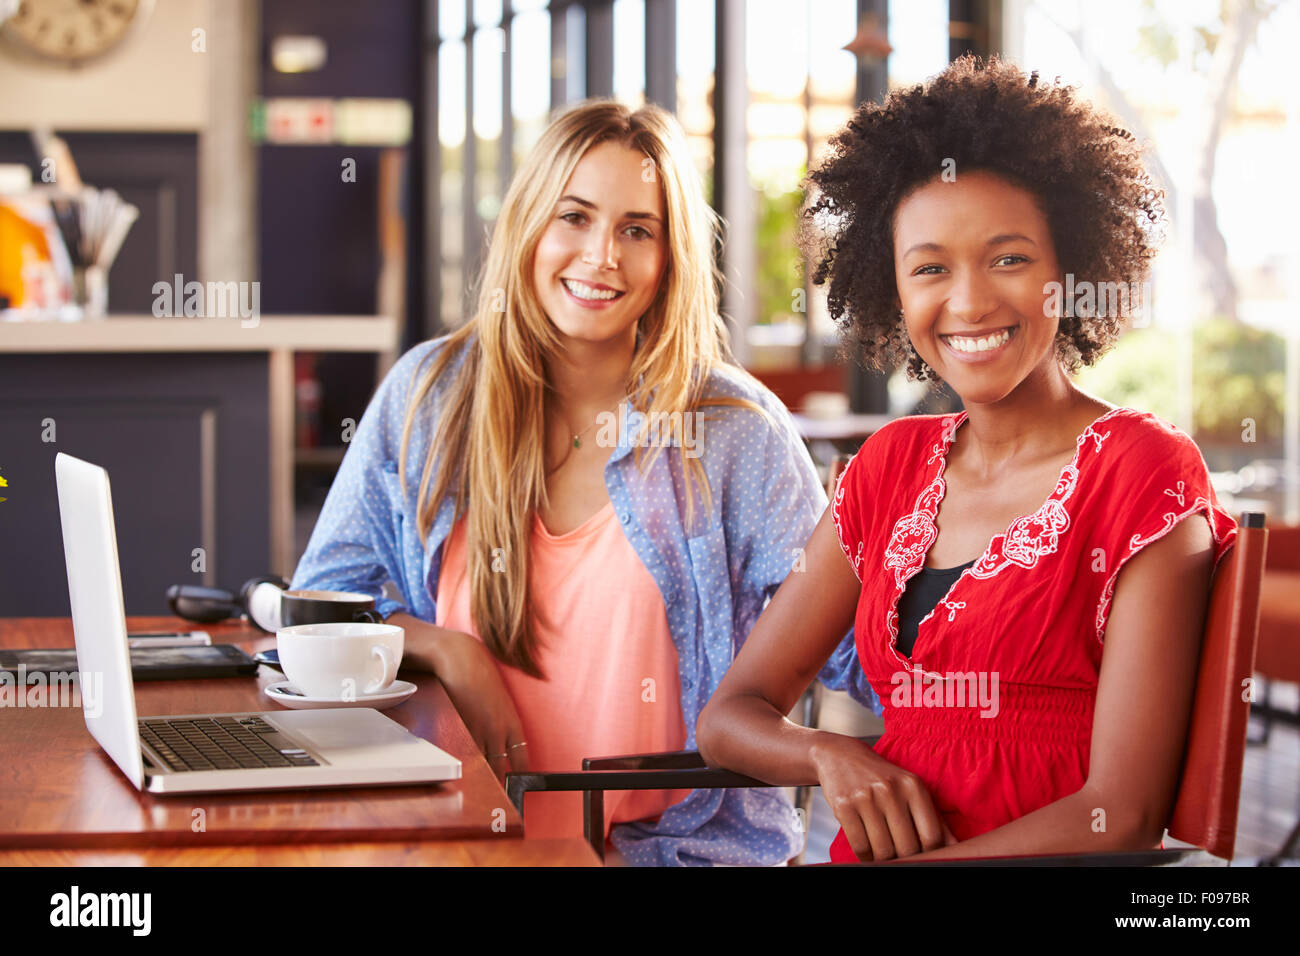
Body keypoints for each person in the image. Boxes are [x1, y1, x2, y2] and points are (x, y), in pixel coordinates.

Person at [290, 99, 876, 866]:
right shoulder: (431, 394)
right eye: (574, 216)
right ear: (530, 224)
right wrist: (446, 651)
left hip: (673, 852)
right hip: (463, 840)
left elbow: (859, 655)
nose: (602, 256)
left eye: (637, 230)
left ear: (670, 259)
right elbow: (315, 613)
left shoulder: (732, 430)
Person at [697, 56, 1238, 863]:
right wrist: (828, 753)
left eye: (1009, 258)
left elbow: (1119, 815)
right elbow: (729, 715)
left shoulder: (1143, 473)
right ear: (894, 290)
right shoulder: (889, 467)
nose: (970, 301)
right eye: (930, 269)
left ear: (1070, 269)